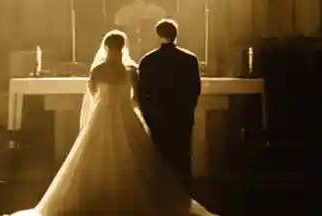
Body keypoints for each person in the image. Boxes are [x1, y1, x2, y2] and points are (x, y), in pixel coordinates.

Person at [12, 30, 214, 216]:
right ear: (123, 47)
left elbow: (93, 94)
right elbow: (137, 98)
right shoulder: (131, 71)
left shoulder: (97, 71)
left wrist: (107, 102)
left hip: (101, 116)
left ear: (106, 47)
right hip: (126, 116)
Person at [137, 18, 202, 187]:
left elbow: (142, 92)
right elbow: (194, 89)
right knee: (182, 155)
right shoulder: (189, 59)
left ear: (158, 35)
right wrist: (188, 111)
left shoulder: (148, 60)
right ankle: (184, 193)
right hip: (182, 116)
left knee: (160, 157)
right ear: (176, 35)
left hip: (158, 117)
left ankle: (160, 193)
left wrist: (149, 115)